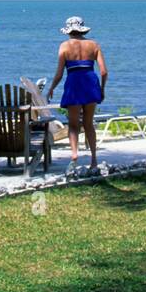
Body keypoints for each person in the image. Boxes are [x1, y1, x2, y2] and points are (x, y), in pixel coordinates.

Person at [47, 16, 108, 175]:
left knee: (73, 125)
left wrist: (52, 87)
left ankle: (74, 155)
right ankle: (94, 160)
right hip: (90, 83)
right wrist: (102, 89)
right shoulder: (94, 45)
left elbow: (59, 73)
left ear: (68, 31)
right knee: (88, 123)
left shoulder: (64, 46)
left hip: (73, 84)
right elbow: (103, 71)